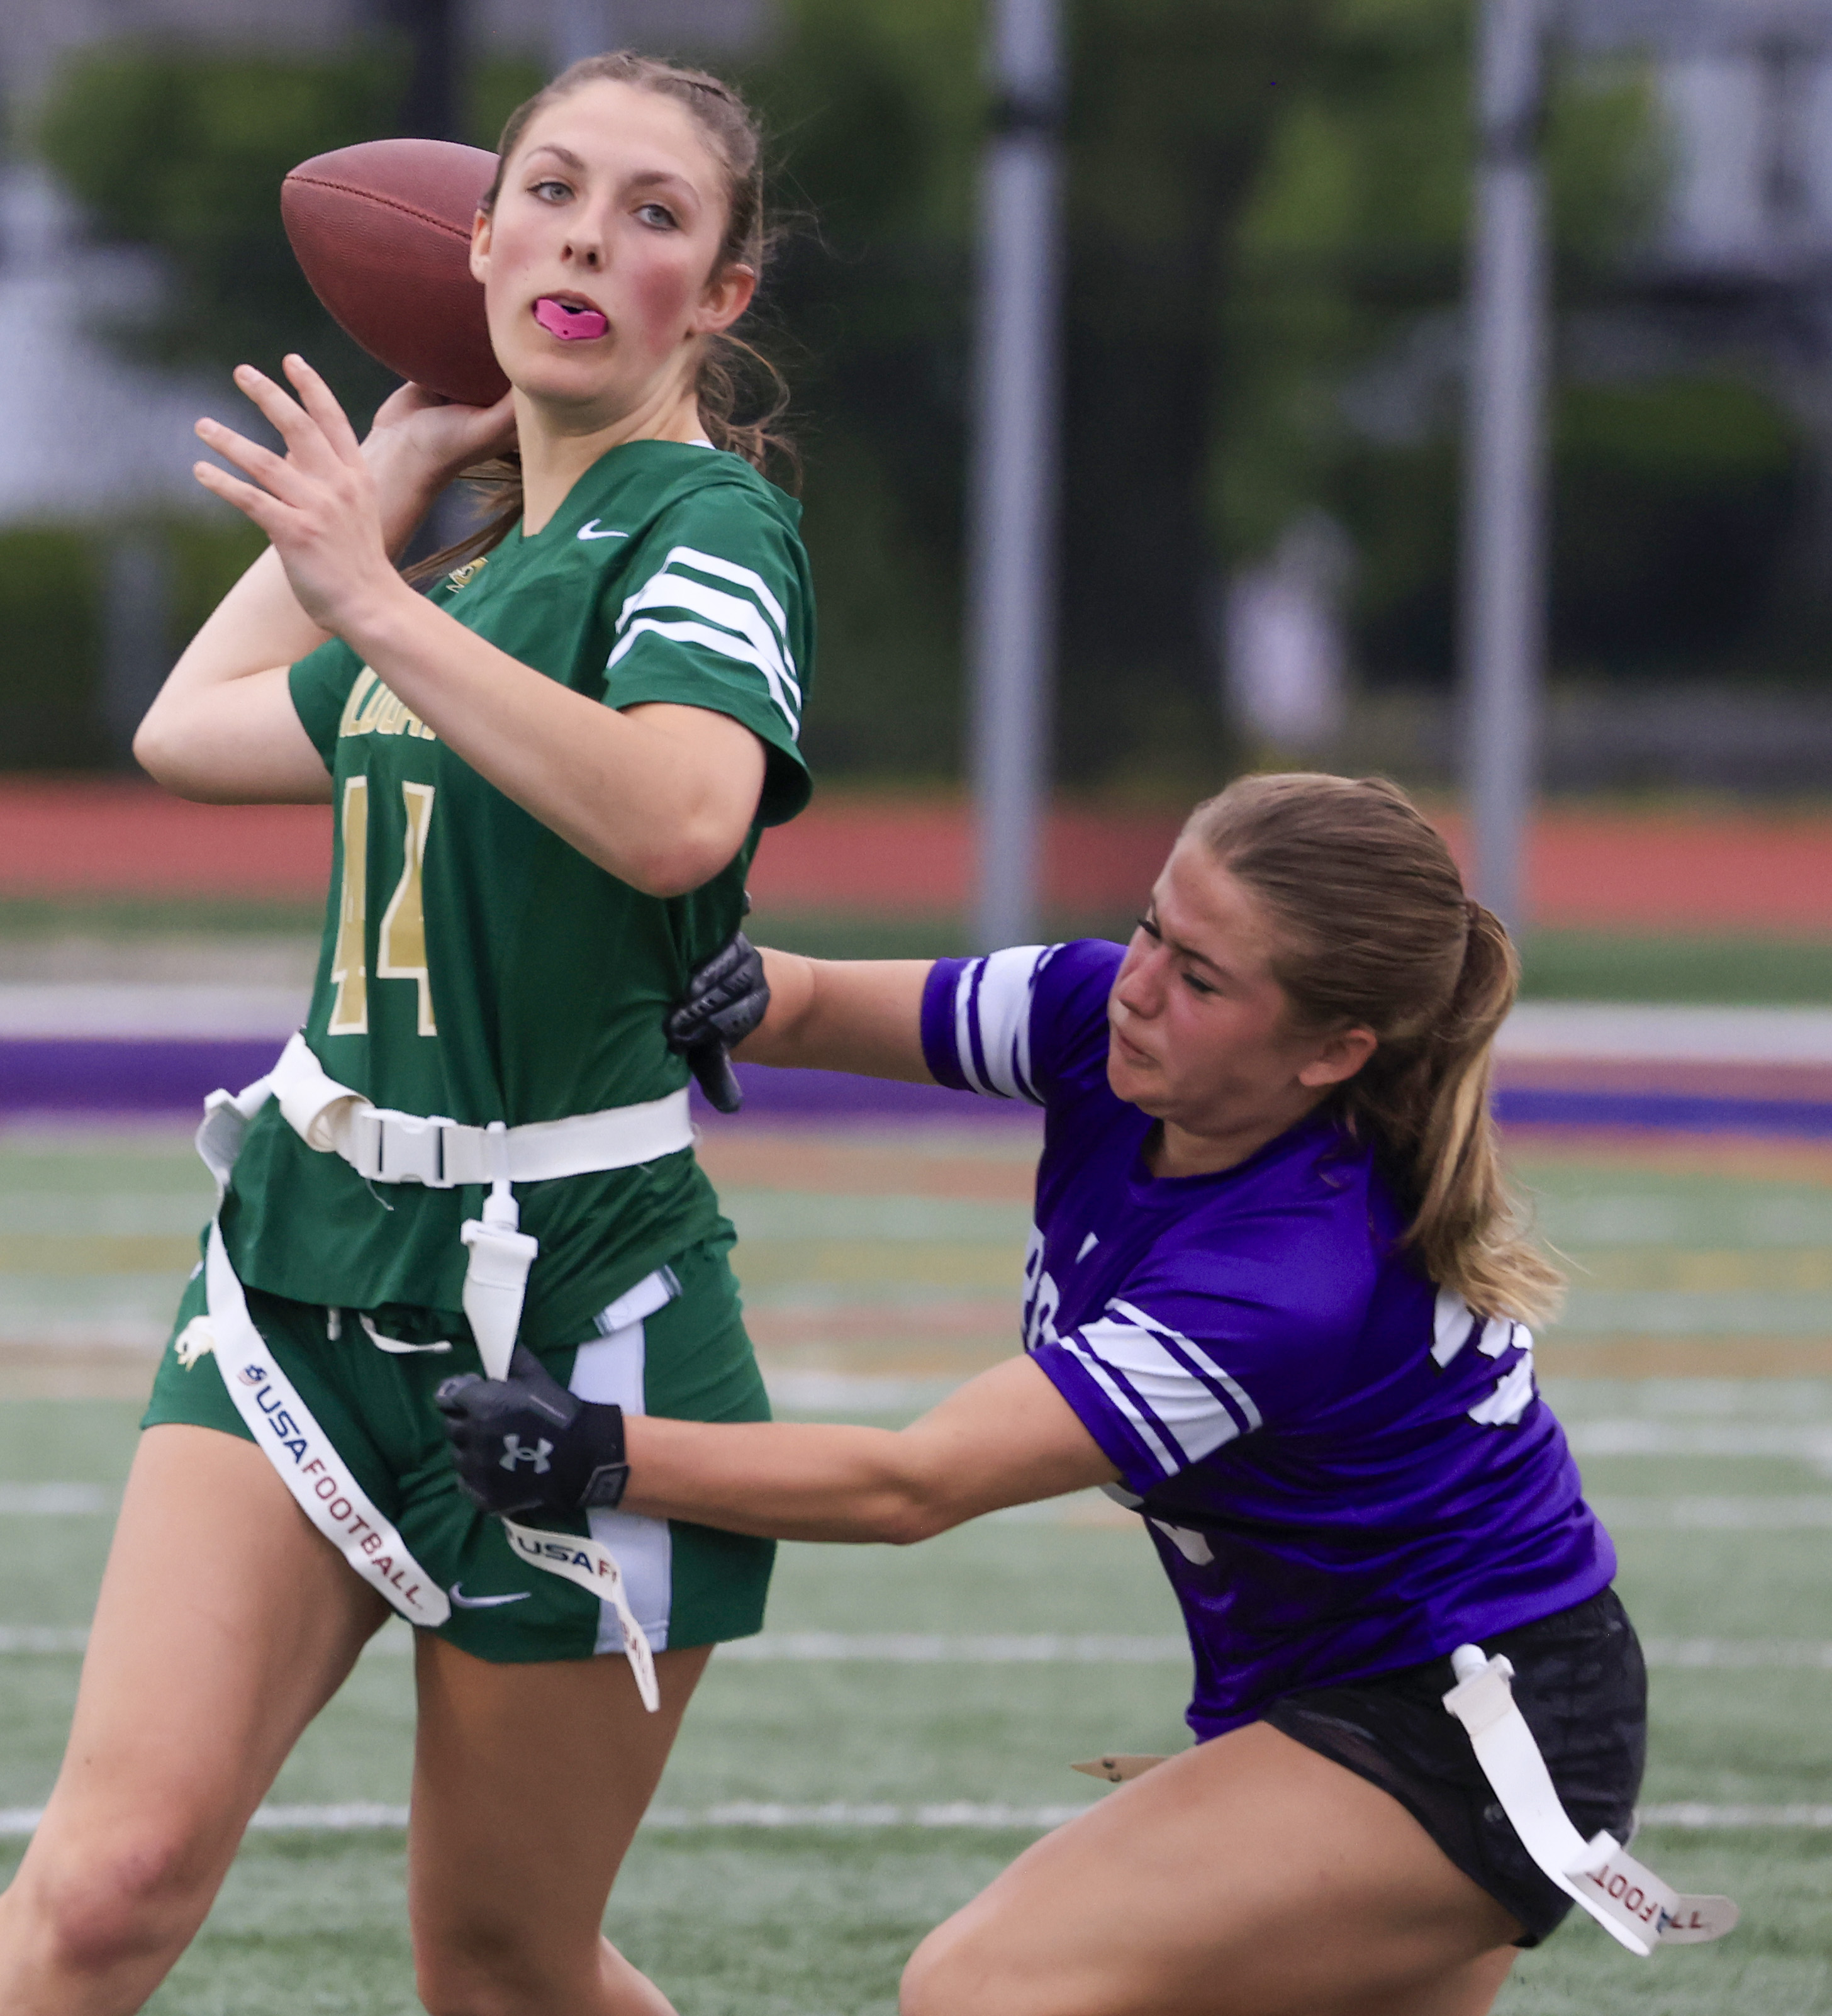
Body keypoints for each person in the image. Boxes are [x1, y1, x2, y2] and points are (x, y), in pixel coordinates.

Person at [0, 53, 812, 2016]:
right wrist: (368, 525)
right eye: (548, 190)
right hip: (305, 1254)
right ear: (475, 239)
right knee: (98, 1889)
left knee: (507, 1969)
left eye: (652, 216)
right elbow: (187, 732)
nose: (586, 239)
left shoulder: (699, 528)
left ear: (719, 296)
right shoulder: (466, 563)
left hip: (578, 1308)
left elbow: (679, 811)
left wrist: (374, 593)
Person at [442, 773, 1648, 2016]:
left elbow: (909, 1486)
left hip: (1465, 1734)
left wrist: (590, 1451)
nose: (1138, 986)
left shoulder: (1283, 1279)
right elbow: (795, 1006)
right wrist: (729, 984)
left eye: (1201, 981)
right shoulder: (1100, 1016)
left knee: (982, 1987)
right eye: (1151, 929)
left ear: (1333, 1053)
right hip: (1356, 1695)